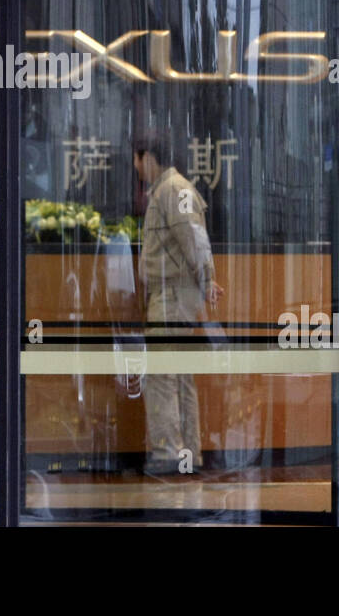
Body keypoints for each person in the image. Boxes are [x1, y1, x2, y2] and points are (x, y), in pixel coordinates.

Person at [132, 131, 223, 475]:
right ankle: (187, 456)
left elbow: (193, 237)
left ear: (148, 157)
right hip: (175, 293)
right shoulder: (171, 189)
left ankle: (169, 454)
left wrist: (207, 277)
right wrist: (205, 278)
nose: (137, 168)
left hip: (171, 295)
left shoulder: (173, 189)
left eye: (137, 160)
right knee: (179, 376)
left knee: (161, 376)